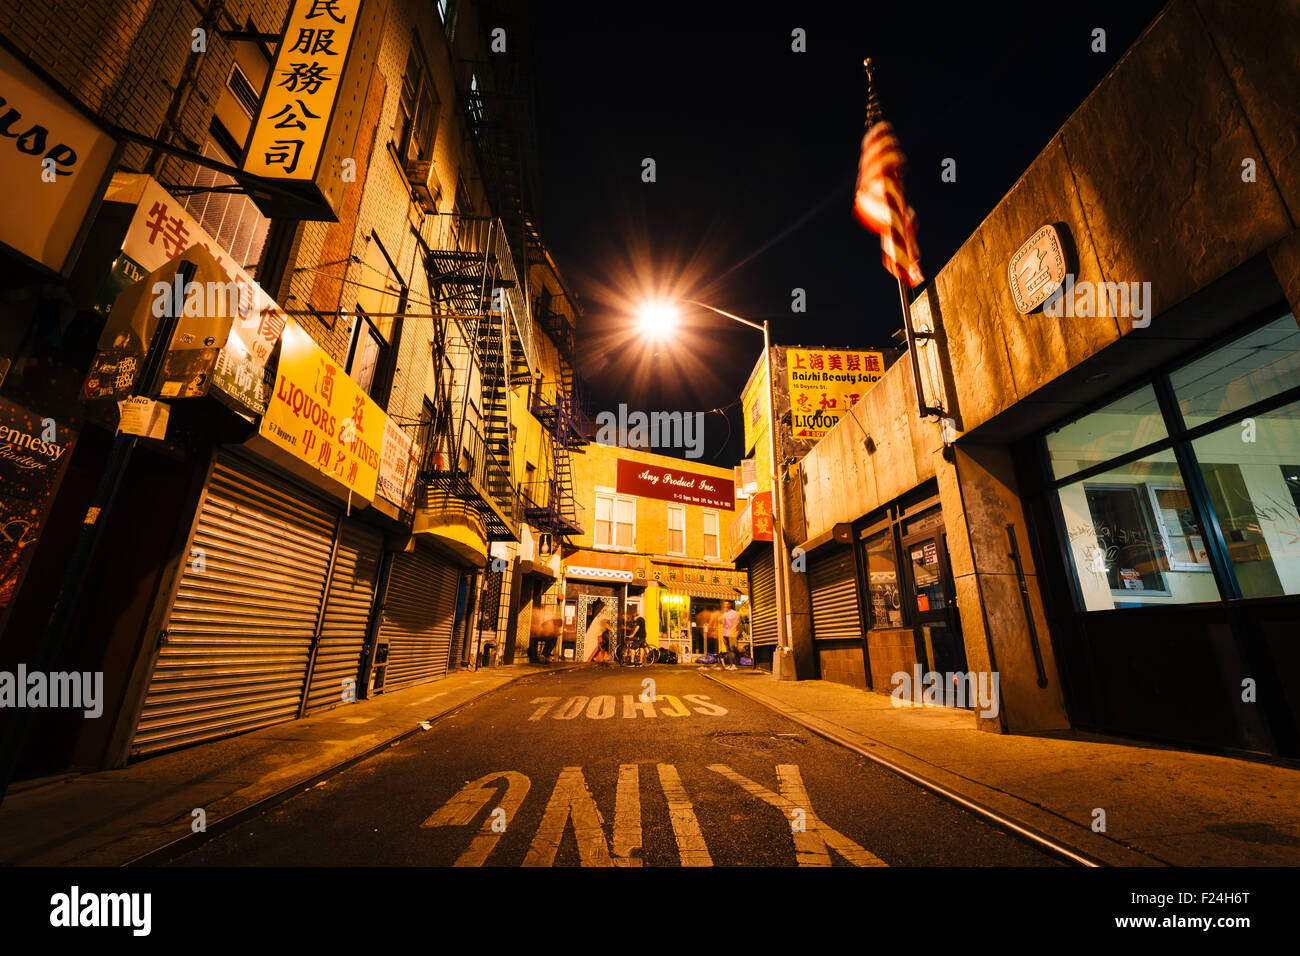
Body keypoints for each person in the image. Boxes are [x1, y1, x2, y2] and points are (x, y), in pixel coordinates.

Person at [721, 601, 741, 669]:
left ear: (730, 605)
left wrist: (737, 631)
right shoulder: (725, 613)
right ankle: (731, 664)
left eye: (726, 604)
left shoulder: (734, 613)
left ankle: (734, 665)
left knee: (732, 649)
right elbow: (722, 621)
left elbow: (737, 623)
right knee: (728, 650)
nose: (725, 605)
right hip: (725, 633)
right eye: (724, 604)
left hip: (731, 633)